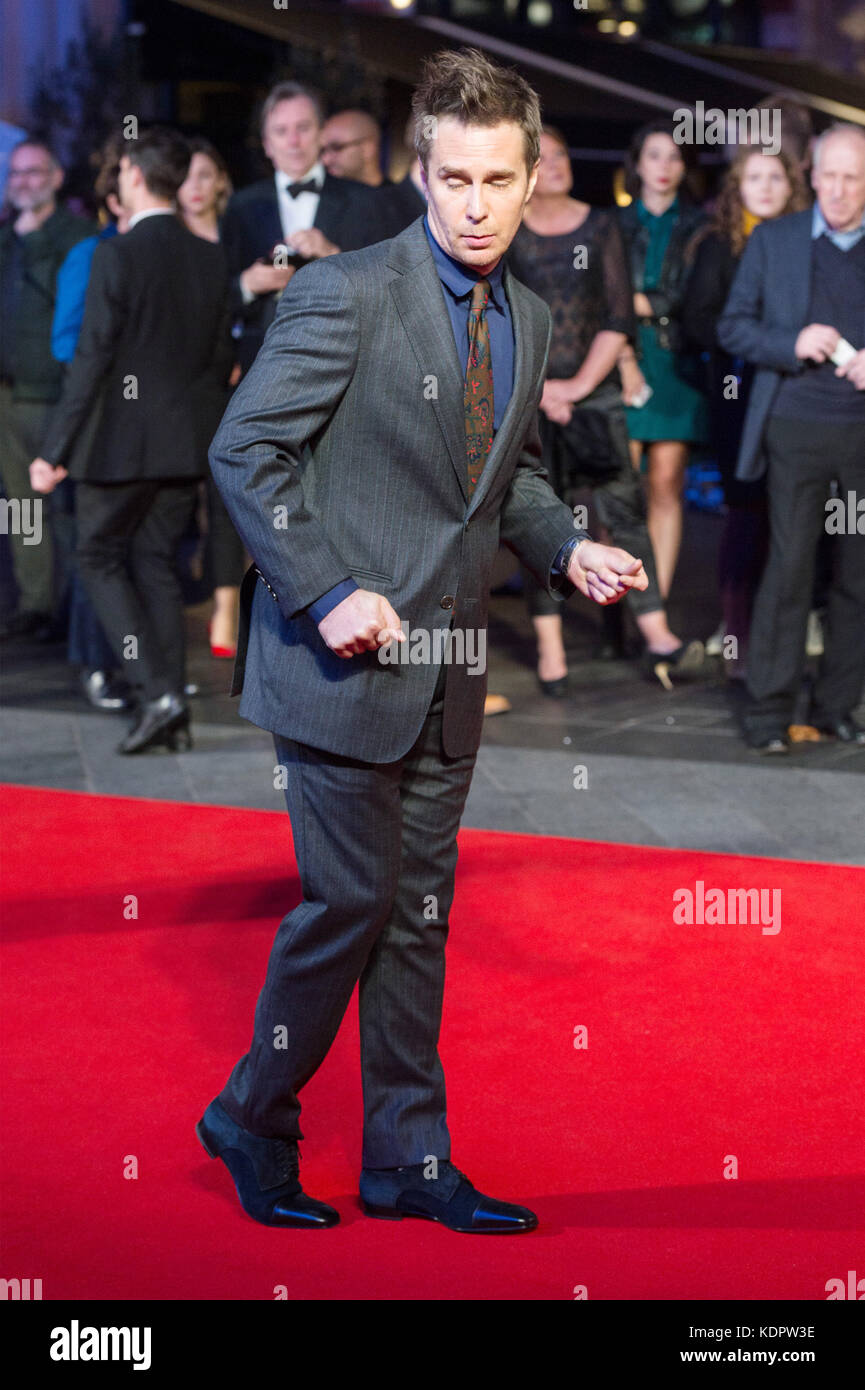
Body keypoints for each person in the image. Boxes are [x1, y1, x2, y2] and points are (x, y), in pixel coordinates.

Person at [199, 46, 648, 1233]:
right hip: (337, 668)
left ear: (531, 171)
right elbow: (245, 451)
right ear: (420, 173)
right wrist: (326, 585)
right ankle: (252, 1113)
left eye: (499, 180)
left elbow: (512, 481)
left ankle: (404, 1157)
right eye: (453, 179)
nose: (477, 205)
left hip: (448, 675)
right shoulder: (344, 292)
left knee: (415, 918)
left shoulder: (536, 309)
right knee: (346, 905)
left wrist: (567, 547)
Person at [30, 127, 233, 754]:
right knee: (157, 569)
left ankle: (157, 692)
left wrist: (53, 451)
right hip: (182, 446)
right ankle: (168, 702)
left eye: (120, 173)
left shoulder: (115, 254)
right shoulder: (209, 257)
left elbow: (91, 359)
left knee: (97, 559)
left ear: (136, 179)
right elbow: (217, 361)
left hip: (116, 446)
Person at [508, 125, 702, 694]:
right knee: (542, 516)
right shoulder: (511, 230)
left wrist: (579, 386)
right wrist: (544, 391)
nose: (562, 163)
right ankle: (551, 650)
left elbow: (619, 315)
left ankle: (658, 633)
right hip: (531, 392)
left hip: (597, 389)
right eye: (551, 156)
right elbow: (503, 319)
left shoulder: (601, 223)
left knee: (624, 506)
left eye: (567, 152)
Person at [717, 123, 865, 752]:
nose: (837, 189)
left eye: (852, 177)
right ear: (812, 174)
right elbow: (733, 327)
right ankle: (769, 712)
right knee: (789, 567)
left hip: (861, 433)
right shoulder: (773, 238)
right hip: (794, 428)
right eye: (827, 174)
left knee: (858, 574)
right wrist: (790, 343)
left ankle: (837, 705)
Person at [682, 145, 809, 677]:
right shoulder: (719, 243)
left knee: (796, 514)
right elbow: (700, 319)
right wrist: (763, 342)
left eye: (774, 177)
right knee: (745, 512)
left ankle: (789, 634)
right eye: (753, 177)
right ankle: (737, 637)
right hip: (739, 392)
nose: (764, 187)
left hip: (801, 393)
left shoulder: (809, 242)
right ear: (738, 186)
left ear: (792, 186)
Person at [220, 81, 384, 375]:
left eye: (303, 128)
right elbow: (215, 297)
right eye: (281, 132)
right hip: (262, 363)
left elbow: (387, 288)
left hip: (345, 357)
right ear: (267, 144)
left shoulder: (365, 201)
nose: (293, 141)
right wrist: (248, 284)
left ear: (321, 135)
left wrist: (333, 254)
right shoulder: (241, 206)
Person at [49, 138, 133, 711]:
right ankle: (95, 665)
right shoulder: (89, 254)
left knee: (139, 556)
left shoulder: (166, 251)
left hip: (148, 428)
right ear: (112, 198)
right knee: (95, 552)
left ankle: (143, 670)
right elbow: (65, 343)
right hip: (101, 424)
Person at [0, 138, 94, 638]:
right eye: (16, 174)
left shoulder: (75, 236)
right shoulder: (5, 238)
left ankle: (70, 608)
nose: (23, 182)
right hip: (8, 394)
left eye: (34, 172)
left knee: (64, 507)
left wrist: (31, 235)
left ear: (57, 178)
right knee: (19, 507)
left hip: (59, 393)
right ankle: (34, 602)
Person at [617, 120, 709, 601]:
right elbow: (600, 301)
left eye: (674, 157)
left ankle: (658, 599)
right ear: (637, 163)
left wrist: (630, 300)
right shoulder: (613, 222)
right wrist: (624, 343)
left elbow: (686, 299)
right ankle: (620, 607)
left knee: (666, 483)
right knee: (619, 490)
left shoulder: (700, 225)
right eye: (654, 155)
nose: (664, 167)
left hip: (676, 362)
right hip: (622, 356)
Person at [177, 138, 245, 661]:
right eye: (185, 176)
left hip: (243, 379)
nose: (194, 187)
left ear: (221, 180)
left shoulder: (239, 230)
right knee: (187, 496)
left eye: (205, 175)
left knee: (226, 499)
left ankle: (227, 608)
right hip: (189, 385)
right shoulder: (169, 240)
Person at [320, 109, 388, 186]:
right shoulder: (322, 193)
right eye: (323, 150)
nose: (325, 160)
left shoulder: (395, 197)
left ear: (367, 149)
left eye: (336, 147)